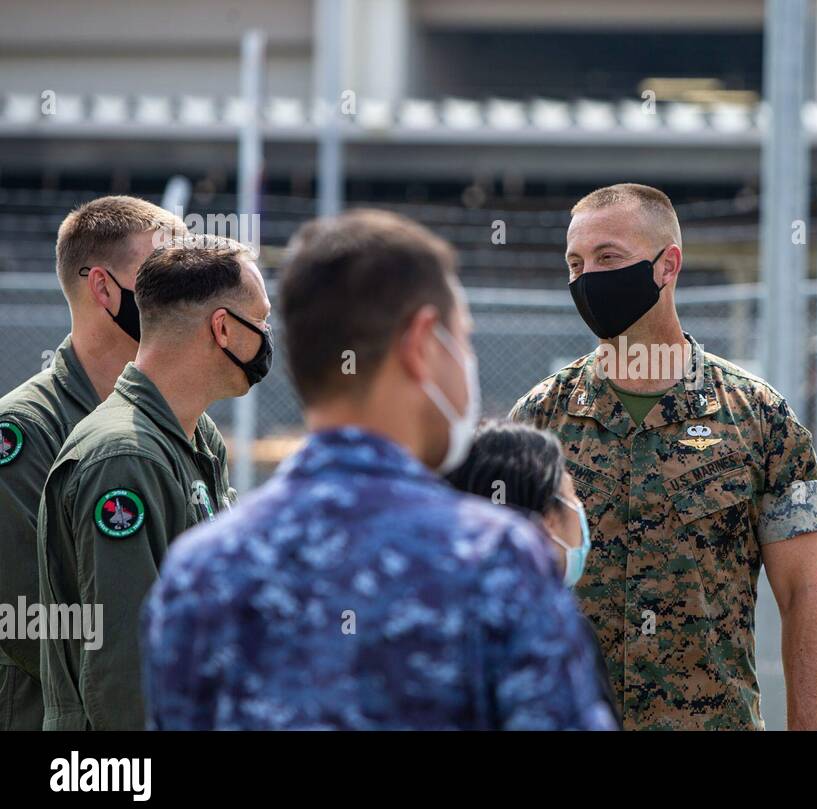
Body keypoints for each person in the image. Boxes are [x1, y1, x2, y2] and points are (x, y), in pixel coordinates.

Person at [141, 209, 616, 730]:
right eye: (462, 337)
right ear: (420, 345)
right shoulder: (491, 560)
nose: (466, 360)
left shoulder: (198, 574)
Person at [510, 183, 817, 730]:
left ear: (668, 265)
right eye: (575, 263)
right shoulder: (540, 419)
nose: (587, 279)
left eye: (608, 257)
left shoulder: (757, 417)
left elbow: (804, 592)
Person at [37, 236, 264, 730]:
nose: (267, 335)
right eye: (262, 321)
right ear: (222, 328)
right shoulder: (125, 457)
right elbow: (127, 669)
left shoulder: (192, 435)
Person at [0, 196, 192, 731]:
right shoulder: (22, 432)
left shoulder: (179, 422)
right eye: (160, 280)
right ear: (104, 289)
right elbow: (31, 623)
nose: (184, 299)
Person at [445, 418, 618, 720]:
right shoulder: (551, 629)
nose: (580, 510)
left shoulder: (429, 617)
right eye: (573, 495)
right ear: (549, 519)